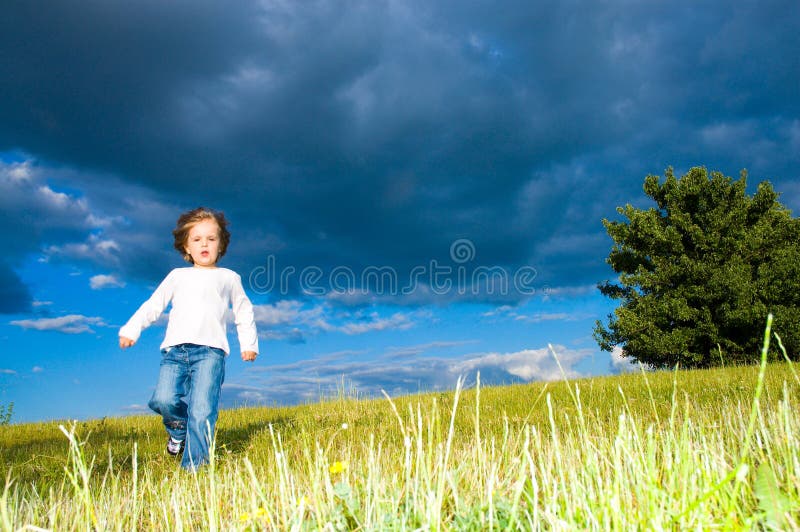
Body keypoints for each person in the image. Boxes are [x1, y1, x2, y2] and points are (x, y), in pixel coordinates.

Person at [119, 207, 259, 470]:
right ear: (186, 247)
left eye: (211, 238)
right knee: (163, 399)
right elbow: (154, 304)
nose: (204, 244)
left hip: (211, 352)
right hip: (174, 352)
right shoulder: (177, 276)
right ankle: (178, 430)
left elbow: (243, 310)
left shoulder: (228, 277)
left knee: (202, 409)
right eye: (197, 239)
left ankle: (194, 469)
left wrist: (249, 344)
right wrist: (131, 329)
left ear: (221, 245)